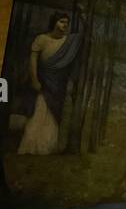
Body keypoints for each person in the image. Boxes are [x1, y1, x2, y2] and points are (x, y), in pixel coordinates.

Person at [18, 10, 84, 156]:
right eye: (61, 22)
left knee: (53, 116)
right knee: (38, 111)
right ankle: (30, 146)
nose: (64, 25)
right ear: (54, 23)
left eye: (67, 23)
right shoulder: (41, 39)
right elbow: (33, 61)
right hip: (42, 82)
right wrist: (34, 80)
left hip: (58, 86)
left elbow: (84, 35)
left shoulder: (68, 42)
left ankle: (46, 148)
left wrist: (83, 15)